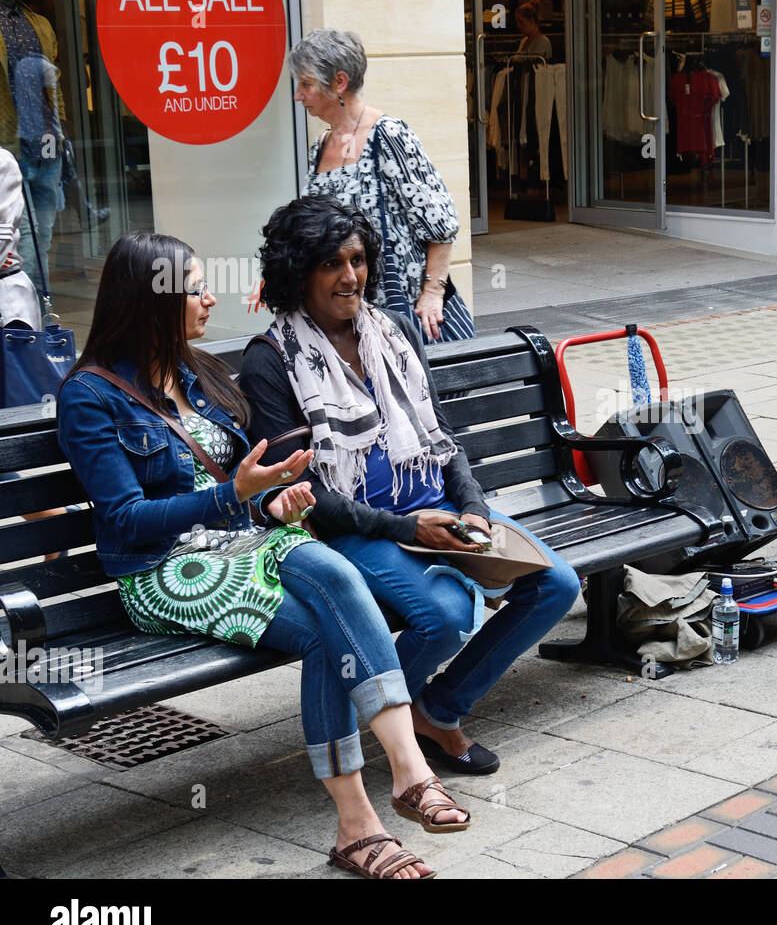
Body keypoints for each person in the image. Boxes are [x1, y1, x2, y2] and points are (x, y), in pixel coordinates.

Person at [57, 232, 473, 880]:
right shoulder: (90, 395)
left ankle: (364, 819)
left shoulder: (197, 374)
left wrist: (270, 504)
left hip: (245, 546)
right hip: (165, 571)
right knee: (331, 580)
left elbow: (248, 486)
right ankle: (396, 785)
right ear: (149, 297)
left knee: (324, 613)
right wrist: (236, 497)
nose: (208, 296)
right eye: (194, 286)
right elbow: (126, 521)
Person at [240, 195, 580, 775]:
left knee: (555, 585)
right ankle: (379, 711)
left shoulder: (393, 329)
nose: (351, 277)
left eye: (358, 259)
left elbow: (440, 432)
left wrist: (473, 508)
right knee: (443, 617)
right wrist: (406, 527)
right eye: (331, 264)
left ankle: (436, 709)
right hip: (355, 529)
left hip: (438, 507)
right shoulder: (270, 360)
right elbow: (303, 492)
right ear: (297, 272)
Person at [290, 28, 472, 344]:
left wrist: (432, 293)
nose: (298, 94)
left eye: (306, 84)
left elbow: (442, 225)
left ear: (339, 84)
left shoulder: (388, 136)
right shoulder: (320, 146)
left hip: (402, 320)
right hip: (345, 322)